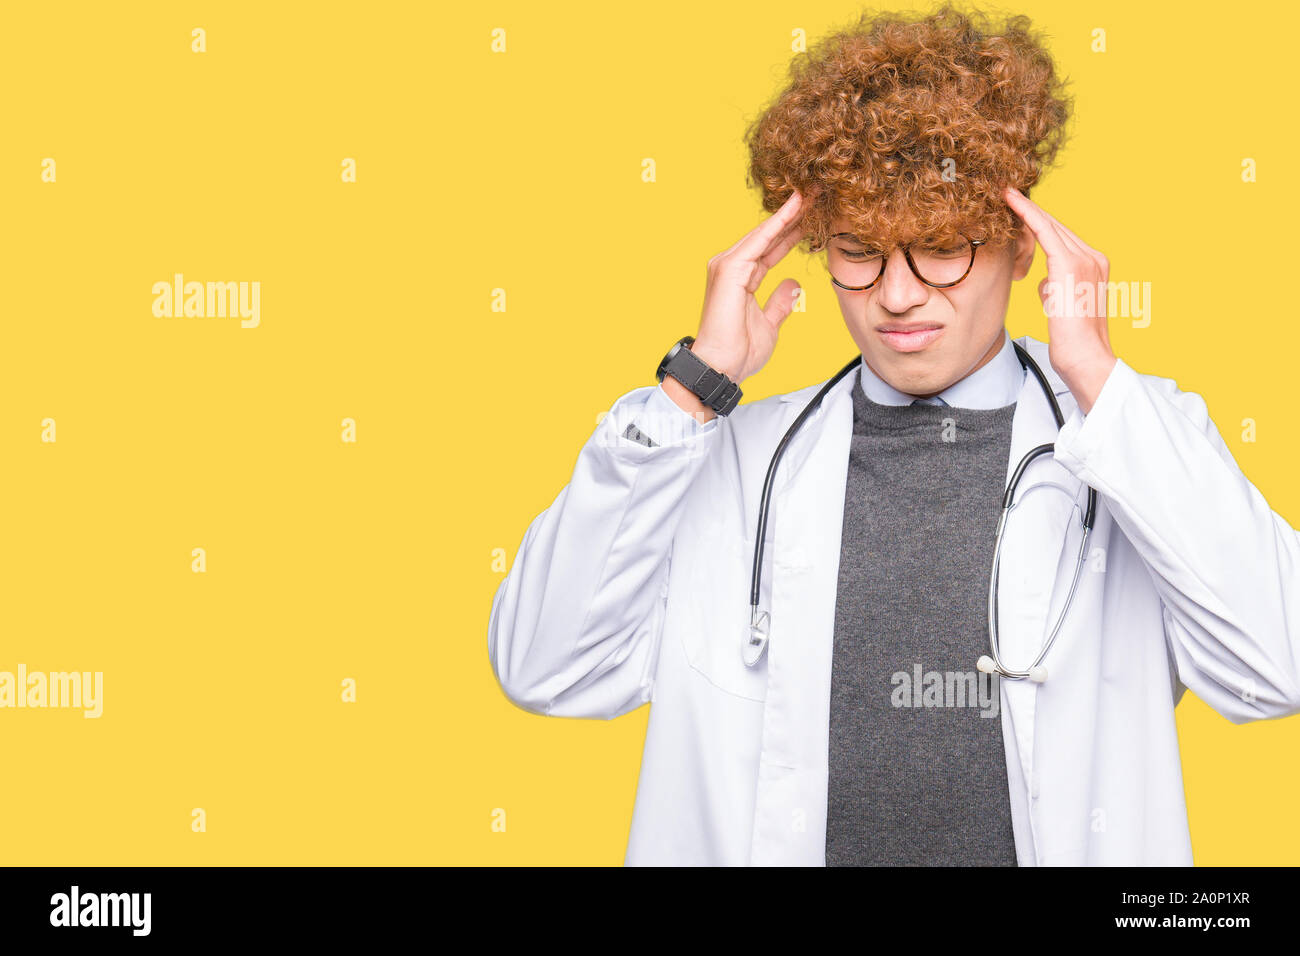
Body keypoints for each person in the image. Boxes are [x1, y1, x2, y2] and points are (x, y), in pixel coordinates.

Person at [486, 3, 1300, 865]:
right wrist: (691, 390)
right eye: (861, 249)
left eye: (944, 247)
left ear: (1023, 249)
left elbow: (1277, 668)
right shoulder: (728, 458)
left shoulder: (1130, 443)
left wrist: (1096, 374)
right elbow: (546, 668)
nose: (899, 294)